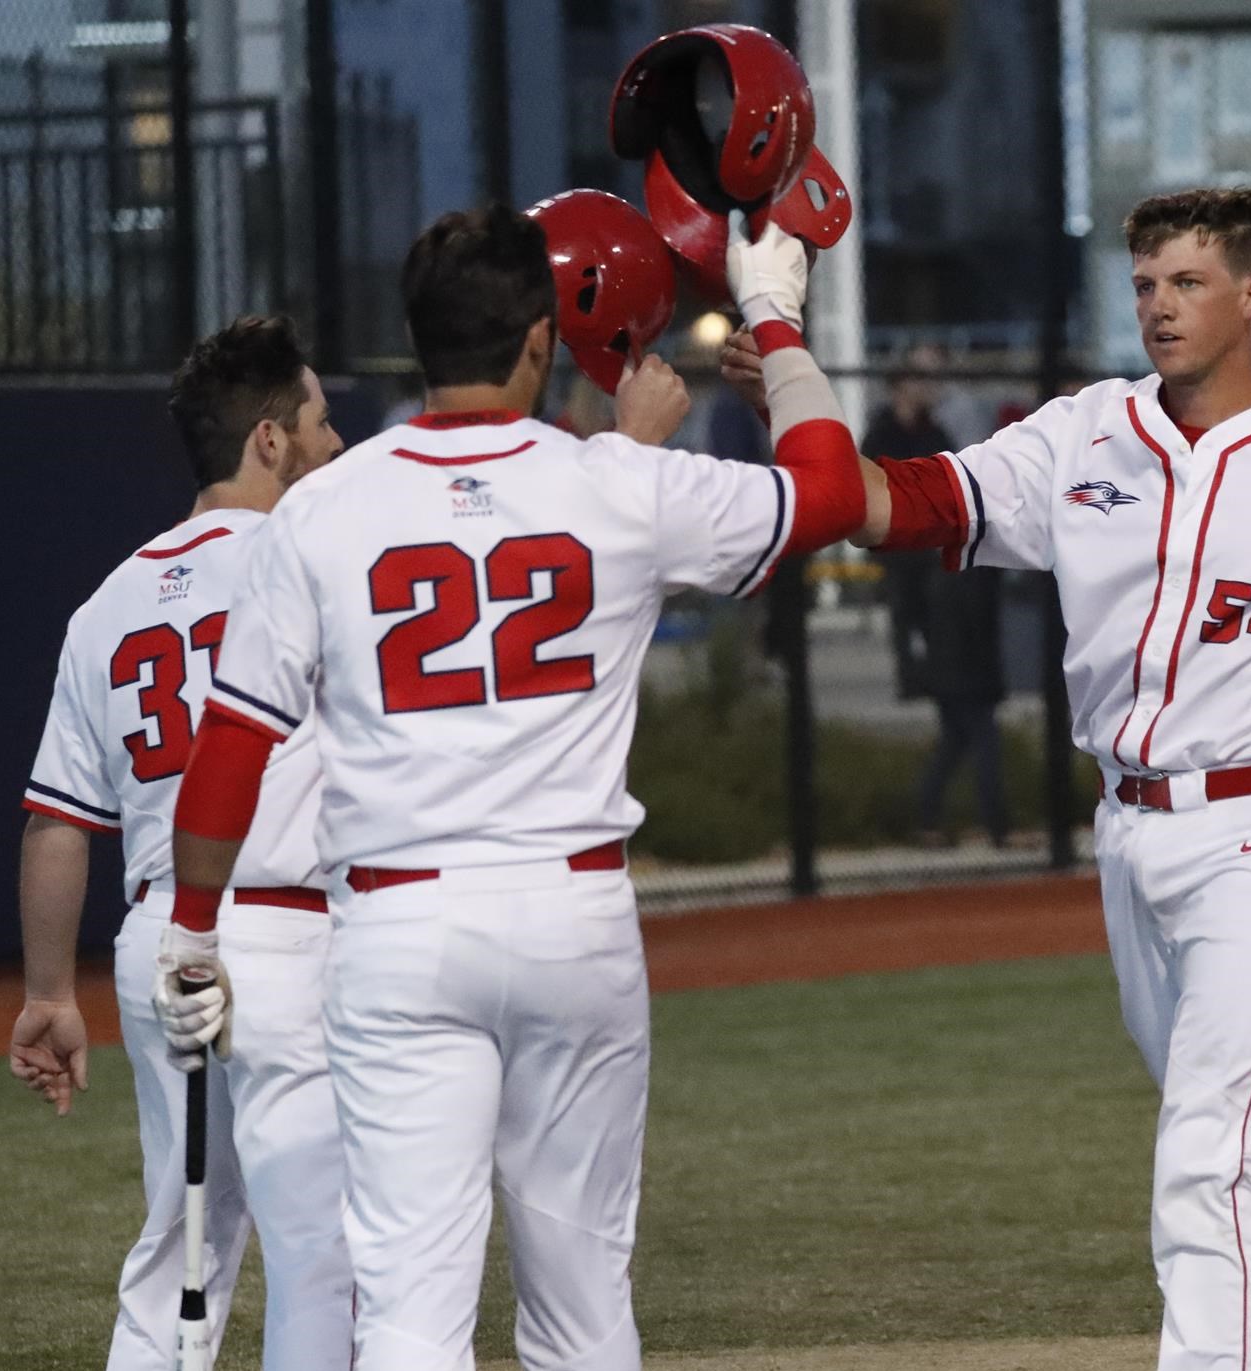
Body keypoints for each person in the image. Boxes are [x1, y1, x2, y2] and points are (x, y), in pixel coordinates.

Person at [736, 186, 1251, 1371]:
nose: (1160, 305)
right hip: (1130, 833)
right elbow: (873, 506)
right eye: (1146, 283)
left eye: (1190, 282)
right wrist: (787, 350)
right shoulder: (1082, 434)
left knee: (1206, 1153)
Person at [153, 206, 866, 1368]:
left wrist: (191, 932)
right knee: (583, 1309)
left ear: (416, 339)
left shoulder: (327, 506)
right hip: (569, 913)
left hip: (396, 923)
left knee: (409, 1313)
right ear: (540, 340)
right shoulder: (615, 483)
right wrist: (774, 315)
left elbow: (230, 748)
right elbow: (829, 495)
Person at [12, 315, 353, 1369]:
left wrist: (49, 995)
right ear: (268, 439)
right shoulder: (321, 562)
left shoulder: (106, 605)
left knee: (179, 1246)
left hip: (160, 937)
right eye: (319, 422)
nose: (333, 445)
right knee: (321, 1252)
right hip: (291, 934)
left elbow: (60, 822)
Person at [870, 365, 960, 700]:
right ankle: (909, 680)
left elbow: (951, 466)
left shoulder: (932, 430)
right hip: (896, 539)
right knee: (902, 615)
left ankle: (934, 677)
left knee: (932, 615)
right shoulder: (882, 432)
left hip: (927, 539)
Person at [912, 564, 1012, 847]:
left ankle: (927, 820)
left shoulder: (941, 570)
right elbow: (979, 627)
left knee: (952, 746)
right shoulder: (976, 575)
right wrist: (992, 679)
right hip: (970, 677)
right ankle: (998, 827)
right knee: (985, 748)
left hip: (946, 675)